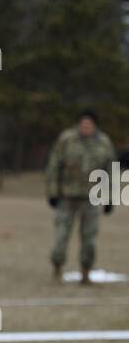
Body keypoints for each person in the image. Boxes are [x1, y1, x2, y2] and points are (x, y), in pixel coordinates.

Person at [44, 109, 116, 283]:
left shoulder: (104, 142)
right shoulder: (67, 139)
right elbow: (54, 166)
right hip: (67, 197)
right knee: (61, 236)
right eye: (83, 123)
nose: (86, 126)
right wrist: (53, 192)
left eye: (89, 123)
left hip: (91, 199)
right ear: (79, 124)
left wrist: (110, 198)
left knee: (89, 239)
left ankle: (86, 272)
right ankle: (57, 269)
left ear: (94, 125)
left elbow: (110, 171)